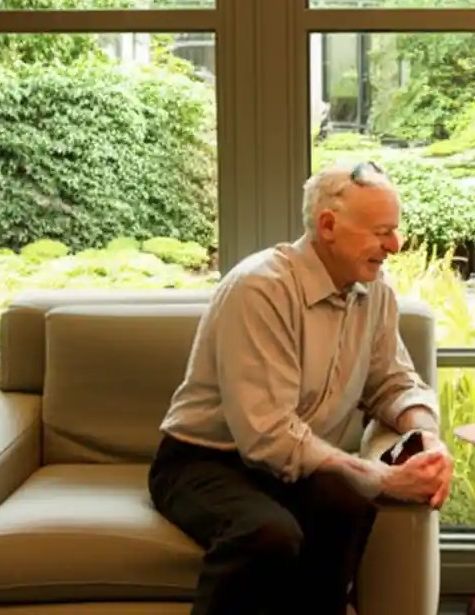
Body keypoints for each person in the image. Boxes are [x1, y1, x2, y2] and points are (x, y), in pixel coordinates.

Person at [148, 161, 454, 615]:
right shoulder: (260, 289)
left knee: (348, 502)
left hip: (291, 462)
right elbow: (267, 437)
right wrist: (384, 477)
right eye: (381, 232)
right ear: (328, 226)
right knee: (268, 533)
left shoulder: (376, 292)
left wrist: (424, 436)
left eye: (395, 231)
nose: (395, 245)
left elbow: (393, 382)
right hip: (204, 460)